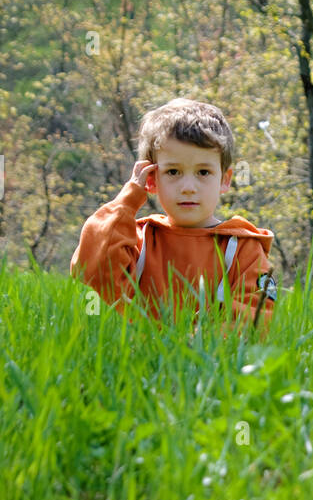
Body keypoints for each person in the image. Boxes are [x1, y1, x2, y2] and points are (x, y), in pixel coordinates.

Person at [71, 98, 276, 330]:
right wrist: (127, 201)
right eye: (173, 171)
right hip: (140, 360)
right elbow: (92, 274)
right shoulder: (138, 240)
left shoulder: (243, 247)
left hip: (213, 362)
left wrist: (196, 344)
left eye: (203, 172)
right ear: (151, 179)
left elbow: (257, 317)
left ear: (224, 179)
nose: (188, 186)